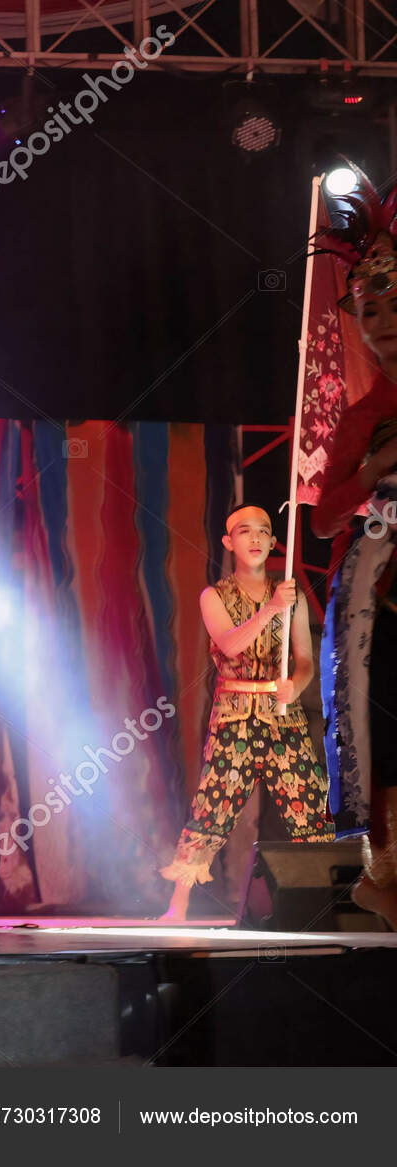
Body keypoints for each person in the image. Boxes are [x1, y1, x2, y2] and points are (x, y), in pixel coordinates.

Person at [160, 506, 332, 920]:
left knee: (309, 806)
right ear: (229, 542)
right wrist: (272, 608)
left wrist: (297, 685)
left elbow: (305, 662)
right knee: (213, 806)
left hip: (283, 716)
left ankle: (327, 903)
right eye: (244, 531)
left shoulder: (291, 596)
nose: (254, 538)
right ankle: (177, 906)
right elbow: (231, 644)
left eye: (263, 532)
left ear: (273, 542)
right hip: (235, 717)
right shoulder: (215, 596)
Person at [310, 165, 397, 927]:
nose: (384, 320)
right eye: (370, 308)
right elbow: (322, 521)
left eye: (395, 303)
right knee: (381, 737)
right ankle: (382, 875)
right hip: (380, 597)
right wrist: (373, 470)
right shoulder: (362, 416)